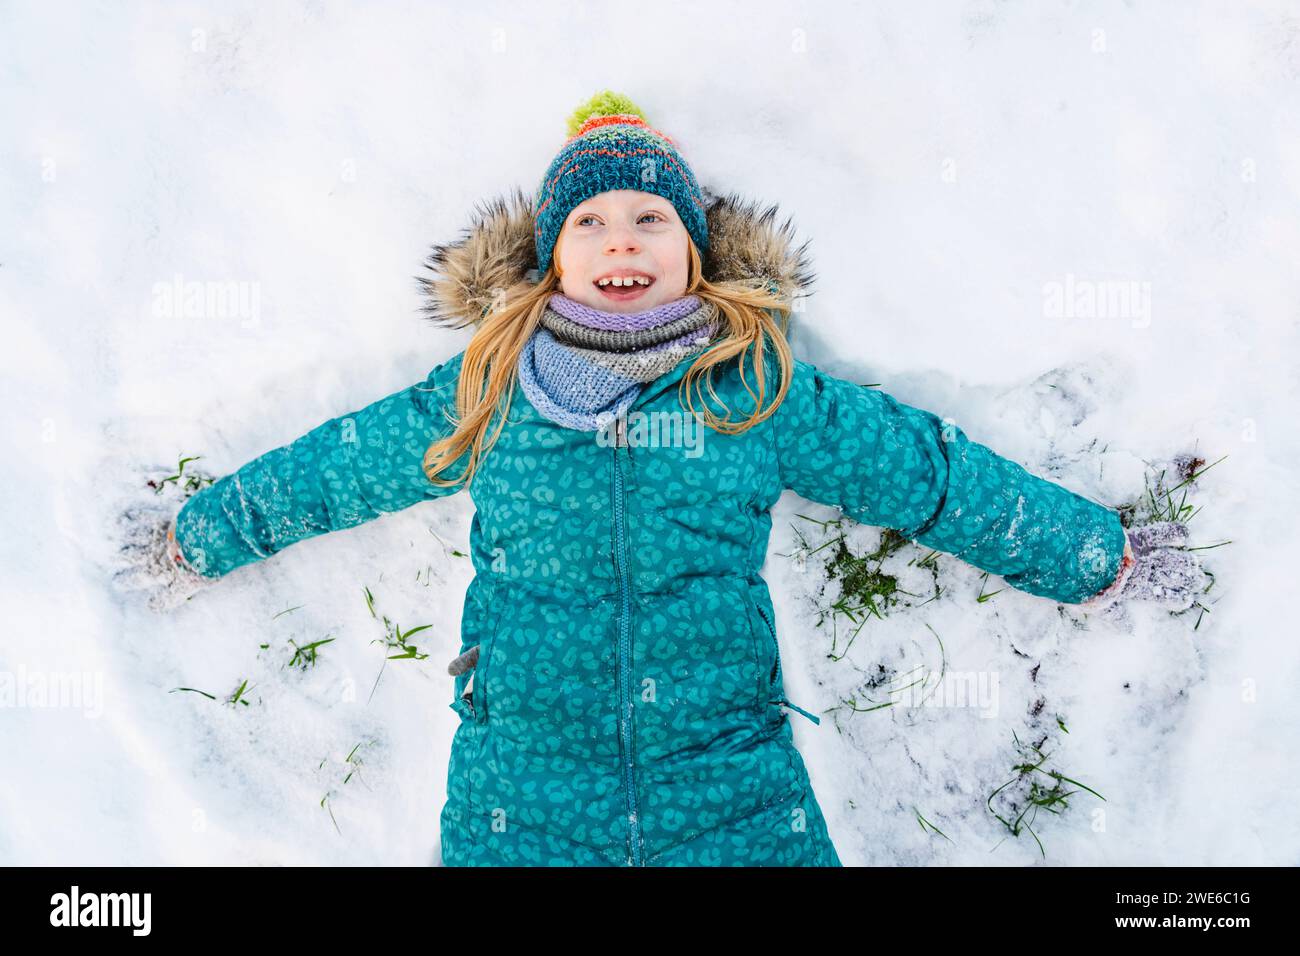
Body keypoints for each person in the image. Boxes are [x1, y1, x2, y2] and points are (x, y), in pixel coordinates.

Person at [120, 91, 1208, 866]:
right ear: (552, 262)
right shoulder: (490, 389)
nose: (621, 237)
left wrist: (1087, 549)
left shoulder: (755, 388)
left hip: (728, 780)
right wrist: (204, 534)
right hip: (522, 785)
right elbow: (338, 465)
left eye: (651, 217)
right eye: (588, 222)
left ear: (694, 250)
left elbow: (923, 471)